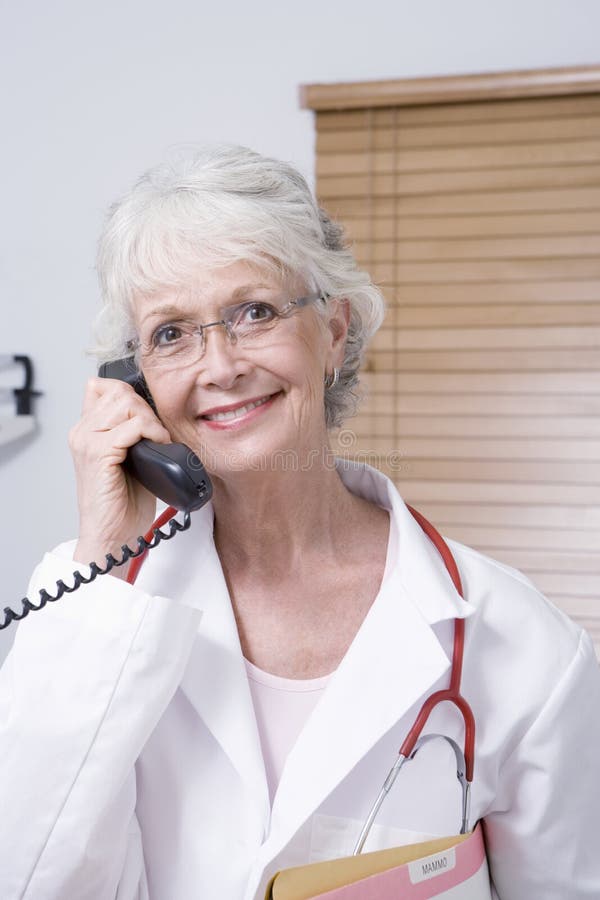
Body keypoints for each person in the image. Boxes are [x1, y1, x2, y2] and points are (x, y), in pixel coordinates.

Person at [0, 145, 599, 900]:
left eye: (253, 312)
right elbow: (20, 875)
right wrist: (105, 567)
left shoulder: (520, 643)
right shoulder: (93, 606)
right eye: (170, 334)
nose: (218, 366)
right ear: (135, 382)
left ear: (336, 332)